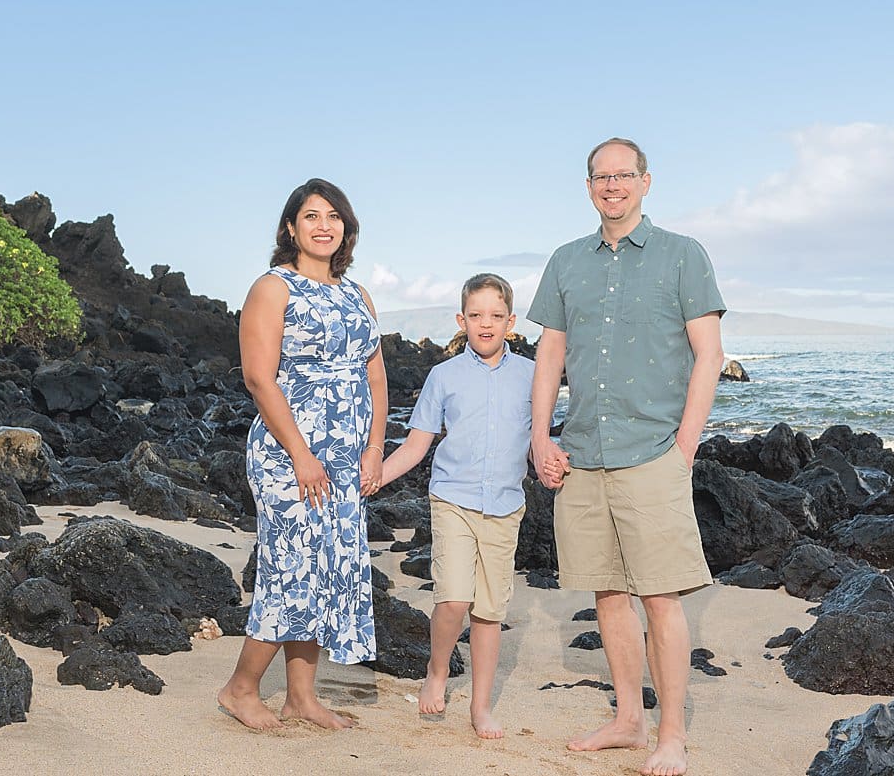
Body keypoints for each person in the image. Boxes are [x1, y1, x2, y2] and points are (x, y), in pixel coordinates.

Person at [527, 137, 725, 776]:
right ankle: (627, 720)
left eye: (623, 175)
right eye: (600, 177)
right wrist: (540, 436)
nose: (612, 185)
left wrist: (686, 445)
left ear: (645, 181)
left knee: (662, 598)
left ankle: (671, 735)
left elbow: (709, 355)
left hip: (653, 453)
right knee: (609, 594)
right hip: (583, 453)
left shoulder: (682, 255)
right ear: (588, 187)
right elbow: (550, 355)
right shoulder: (565, 262)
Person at [217, 178, 388, 731]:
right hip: (290, 453)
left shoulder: (357, 294)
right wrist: (301, 453)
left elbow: (375, 376)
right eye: (311, 215)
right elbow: (258, 378)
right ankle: (241, 689)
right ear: (290, 227)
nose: (324, 225)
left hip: (345, 457)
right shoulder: (273, 288)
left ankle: (300, 697)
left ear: (347, 228)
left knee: (326, 568)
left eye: (334, 216)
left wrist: (374, 448)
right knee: (293, 566)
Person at [373, 273, 534, 739]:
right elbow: (417, 443)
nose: (487, 324)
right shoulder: (443, 376)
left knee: (488, 611)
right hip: (453, 501)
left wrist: (556, 463)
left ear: (511, 321)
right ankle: (437, 670)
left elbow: (538, 439)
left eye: (496, 316)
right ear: (462, 320)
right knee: (454, 600)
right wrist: (379, 475)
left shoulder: (530, 374)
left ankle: (480, 707)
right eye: (477, 315)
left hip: (505, 506)